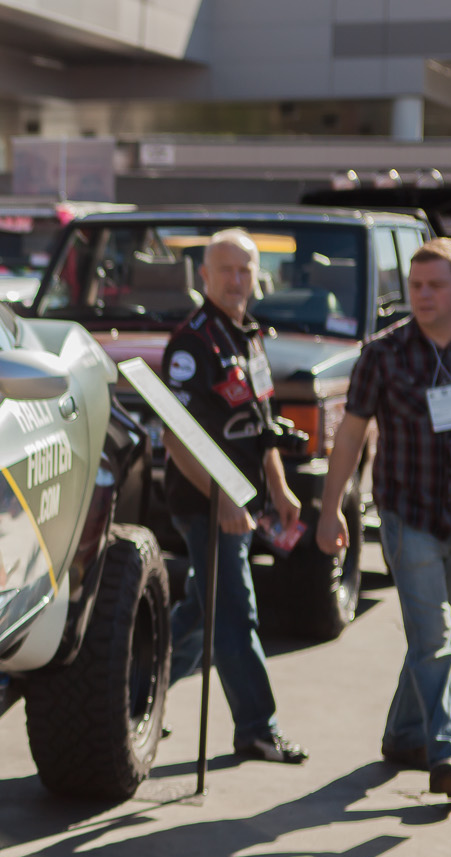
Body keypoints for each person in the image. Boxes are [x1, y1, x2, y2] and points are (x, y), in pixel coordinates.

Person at [316, 238, 451, 797]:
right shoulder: (384, 353)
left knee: (433, 639)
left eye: (435, 286)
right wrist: (331, 509)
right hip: (406, 514)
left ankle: (403, 734)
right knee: (435, 639)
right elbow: (351, 434)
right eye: (415, 286)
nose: (422, 295)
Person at [160, 228, 309, 763]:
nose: (236, 279)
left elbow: (261, 427)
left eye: (245, 269)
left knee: (202, 611)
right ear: (204, 275)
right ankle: (257, 728)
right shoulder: (192, 343)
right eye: (225, 269)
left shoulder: (248, 336)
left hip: (245, 502)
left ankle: (131, 696)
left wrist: (279, 486)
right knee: (235, 614)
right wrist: (222, 499)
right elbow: (176, 438)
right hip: (206, 505)